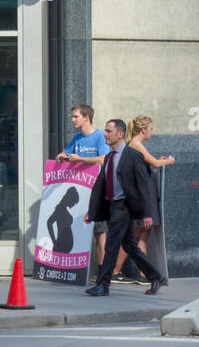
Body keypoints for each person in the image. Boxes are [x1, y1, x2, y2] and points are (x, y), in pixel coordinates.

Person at [84, 128, 166, 297]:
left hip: (124, 207)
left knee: (111, 244)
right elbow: (101, 186)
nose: (105, 134)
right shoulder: (109, 157)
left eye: (109, 130)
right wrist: (92, 211)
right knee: (129, 245)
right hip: (112, 206)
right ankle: (155, 276)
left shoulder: (133, 155)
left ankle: (103, 285)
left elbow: (143, 185)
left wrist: (146, 212)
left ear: (120, 134)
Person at [110, 116, 174, 284]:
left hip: (145, 196)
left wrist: (159, 161)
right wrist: (170, 160)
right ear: (143, 130)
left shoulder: (136, 145)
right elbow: (154, 163)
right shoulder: (135, 145)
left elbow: (150, 162)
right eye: (151, 129)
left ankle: (144, 274)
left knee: (143, 234)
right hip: (141, 198)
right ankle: (114, 271)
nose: (152, 132)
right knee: (135, 235)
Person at [56, 104, 111, 269]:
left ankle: (103, 269)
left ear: (86, 118)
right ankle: (79, 268)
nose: (72, 120)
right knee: (81, 227)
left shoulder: (100, 136)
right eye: (72, 116)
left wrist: (79, 159)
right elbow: (66, 153)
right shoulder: (77, 137)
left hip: (97, 188)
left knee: (99, 231)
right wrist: (61, 156)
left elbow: (103, 159)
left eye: (76, 116)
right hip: (79, 189)